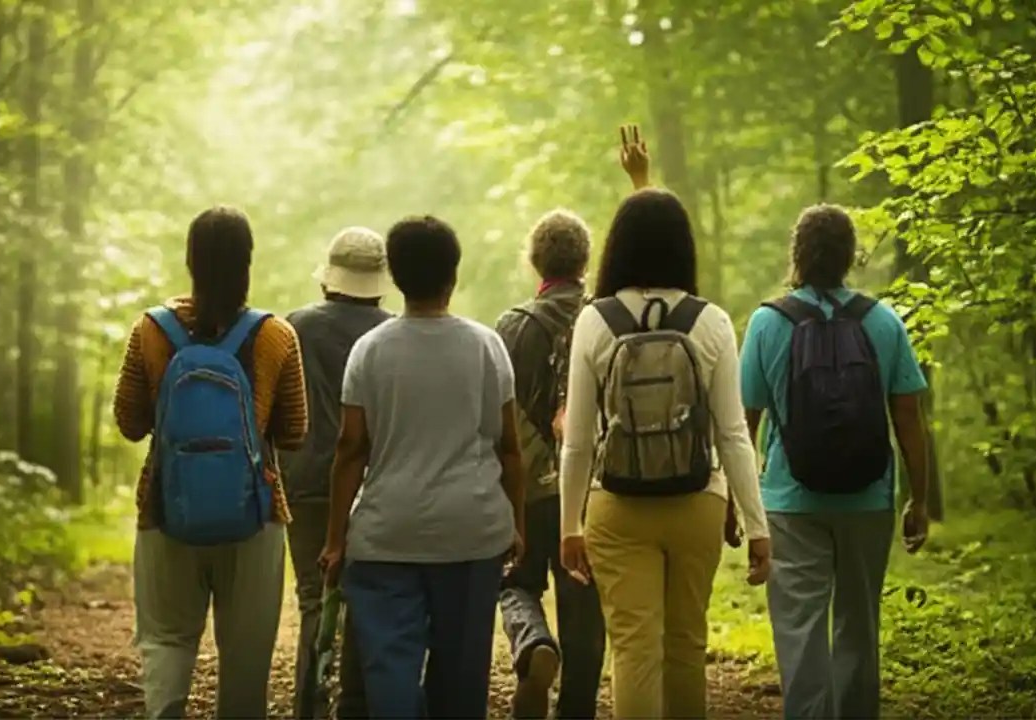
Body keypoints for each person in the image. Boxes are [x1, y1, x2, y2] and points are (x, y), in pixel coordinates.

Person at [558, 127, 771, 720]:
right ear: (686, 247)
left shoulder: (594, 322)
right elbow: (732, 433)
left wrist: (569, 524)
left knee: (634, 652)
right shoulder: (711, 323)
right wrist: (757, 525)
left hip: (616, 505)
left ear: (615, 247)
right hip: (698, 500)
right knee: (686, 646)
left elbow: (577, 440)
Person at [319, 215, 527, 719]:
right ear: (452, 277)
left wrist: (334, 539)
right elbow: (511, 449)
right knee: (462, 672)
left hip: (385, 534)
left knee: (389, 667)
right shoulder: (485, 346)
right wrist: (516, 524)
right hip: (471, 533)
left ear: (396, 279)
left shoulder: (370, 351)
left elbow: (351, 449)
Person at [113, 206, 308, 719]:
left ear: (190, 261)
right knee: (246, 656)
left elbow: (130, 423)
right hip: (256, 515)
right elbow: (294, 433)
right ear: (247, 262)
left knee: (168, 639)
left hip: (165, 509)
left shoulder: (150, 331)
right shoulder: (276, 335)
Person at [739, 204, 931, 719]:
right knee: (858, 623)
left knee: (799, 626)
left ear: (797, 255)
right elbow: (909, 417)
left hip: (789, 500)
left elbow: (744, 422)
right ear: (851, 257)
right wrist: (920, 497)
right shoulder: (884, 321)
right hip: (869, 499)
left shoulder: (766, 323)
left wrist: (739, 504)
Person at [495, 209, 605, 719]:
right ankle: (576, 710)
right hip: (591, 491)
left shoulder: (511, 326)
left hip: (529, 488)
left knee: (516, 582)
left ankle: (533, 642)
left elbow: (496, 417)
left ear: (534, 261)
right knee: (584, 603)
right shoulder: (603, 318)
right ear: (585, 261)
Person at [281, 227, 392, 719]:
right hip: (376, 486)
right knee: (368, 599)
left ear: (329, 279)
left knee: (313, 597)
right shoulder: (392, 331)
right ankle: (357, 705)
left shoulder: (295, 327)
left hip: (305, 482)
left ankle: (309, 705)